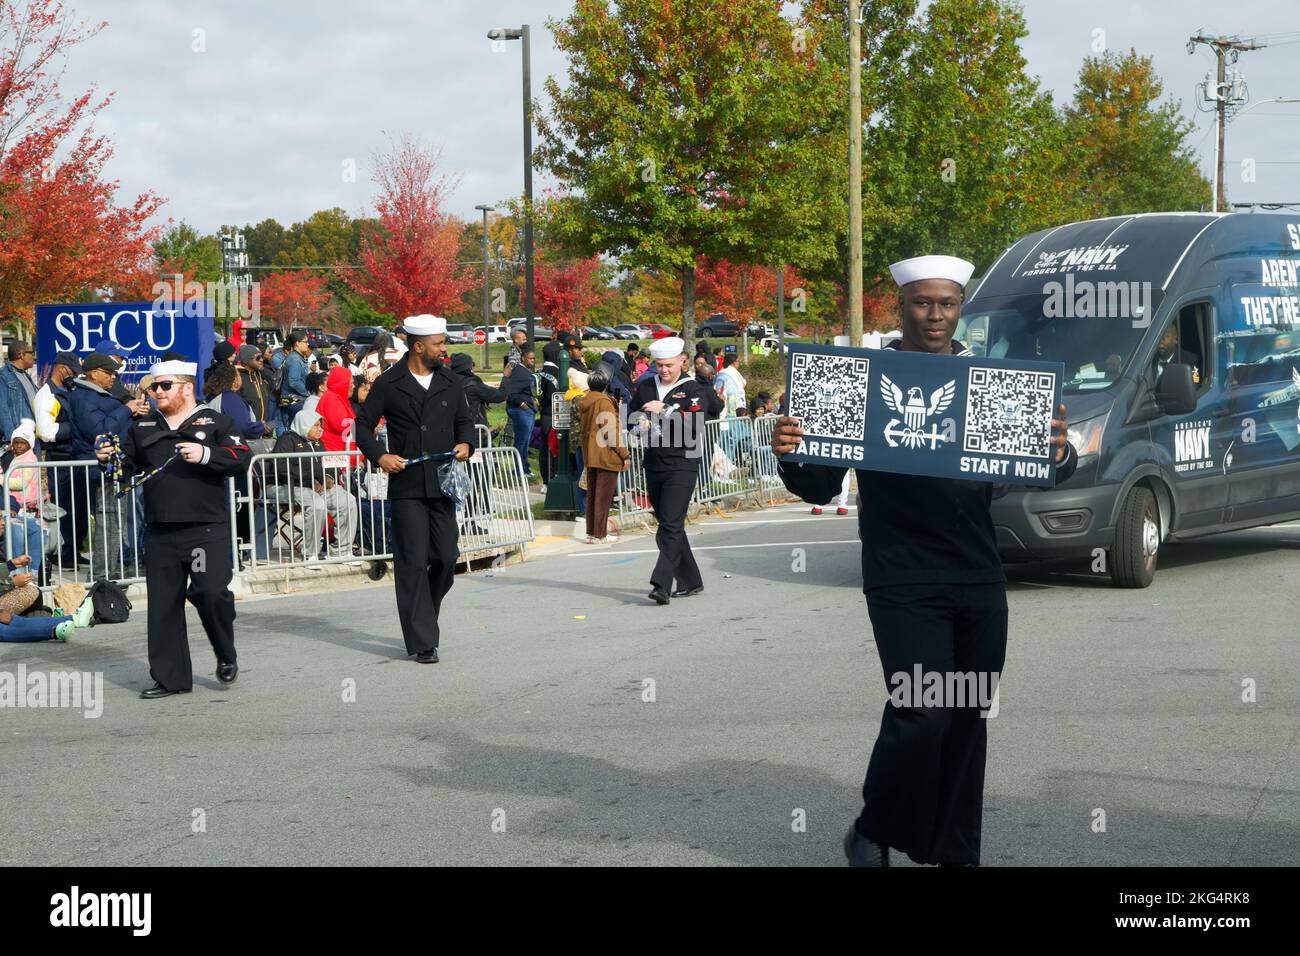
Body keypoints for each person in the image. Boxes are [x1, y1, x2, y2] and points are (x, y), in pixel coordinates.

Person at [769, 254, 1077, 867]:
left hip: (978, 573)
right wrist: (791, 451)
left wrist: (1058, 451)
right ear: (900, 305)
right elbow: (819, 485)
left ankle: (957, 850)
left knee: (967, 716)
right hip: (901, 573)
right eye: (922, 303)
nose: (935, 315)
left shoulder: (992, 382)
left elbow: (1039, 470)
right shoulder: (856, 380)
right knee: (922, 711)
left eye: (947, 303)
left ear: (960, 307)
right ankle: (875, 827)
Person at [98, 359, 251, 699]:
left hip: (204, 530)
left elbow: (242, 456)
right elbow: (125, 468)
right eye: (153, 386)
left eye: (164, 386)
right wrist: (108, 458)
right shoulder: (143, 426)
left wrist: (207, 453)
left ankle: (225, 651)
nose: (156, 392)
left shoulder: (216, 422)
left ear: (186, 387)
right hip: (161, 531)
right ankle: (171, 678)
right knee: (163, 606)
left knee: (211, 594)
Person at [353, 314, 474, 664]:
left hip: (442, 484)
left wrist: (466, 443)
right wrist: (380, 455)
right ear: (419, 346)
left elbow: (464, 422)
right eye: (439, 343)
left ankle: (423, 616)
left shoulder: (450, 381)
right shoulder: (389, 384)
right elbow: (362, 426)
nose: (444, 348)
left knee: (445, 557)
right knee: (412, 562)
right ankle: (423, 640)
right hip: (406, 487)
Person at [629, 337, 709, 604]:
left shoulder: (693, 388)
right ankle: (691, 580)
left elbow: (695, 425)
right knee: (668, 524)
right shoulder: (645, 386)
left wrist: (665, 409)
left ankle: (661, 583)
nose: (664, 370)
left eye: (669, 365)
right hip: (654, 462)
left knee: (670, 526)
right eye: (660, 365)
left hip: (684, 461)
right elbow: (631, 415)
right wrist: (638, 423)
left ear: (682, 362)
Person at [66, 353, 150, 580]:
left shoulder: (98, 395)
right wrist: (127, 409)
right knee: (108, 520)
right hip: (101, 468)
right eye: (109, 373)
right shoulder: (84, 397)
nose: (114, 377)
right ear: (93, 373)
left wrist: (134, 413)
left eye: (115, 373)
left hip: (114, 466)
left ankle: (108, 572)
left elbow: (115, 424)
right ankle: (102, 575)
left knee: (114, 521)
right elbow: (99, 430)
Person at [270, 409, 358, 561]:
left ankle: (342, 550)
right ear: (304, 425)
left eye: (320, 425)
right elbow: (280, 467)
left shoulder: (317, 442)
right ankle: (310, 553)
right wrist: (311, 480)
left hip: (315, 486)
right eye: (315, 425)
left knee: (347, 500)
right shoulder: (287, 440)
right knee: (317, 504)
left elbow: (325, 463)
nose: (320, 429)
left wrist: (329, 476)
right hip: (288, 486)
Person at [33, 352, 82, 567]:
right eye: (72, 372)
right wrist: (77, 428)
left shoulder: (68, 390)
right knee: (63, 508)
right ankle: (63, 553)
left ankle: (73, 550)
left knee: (78, 508)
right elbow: (46, 431)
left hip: (73, 457)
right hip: (60, 459)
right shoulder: (47, 395)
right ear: (62, 369)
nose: (75, 376)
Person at [578, 364, 629, 544]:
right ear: (606, 384)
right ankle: (600, 534)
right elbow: (610, 432)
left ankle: (592, 533)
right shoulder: (604, 402)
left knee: (592, 496)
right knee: (603, 498)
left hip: (591, 454)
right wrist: (624, 454)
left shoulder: (586, 400)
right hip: (606, 455)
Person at [203, 363, 267, 440]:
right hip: (234, 447)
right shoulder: (230, 399)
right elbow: (244, 428)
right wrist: (260, 426)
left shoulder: (214, 396)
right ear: (234, 380)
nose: (241, 378)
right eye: (239, 375)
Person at [504, 347, 539, 479]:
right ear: (523, 358)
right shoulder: (519, 371)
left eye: (534, 358)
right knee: (521, 441)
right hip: (521, 411)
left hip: (528, 411)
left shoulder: (526, 371)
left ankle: (525, 468)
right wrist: (521, 404)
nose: (532, 361)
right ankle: (519, 470)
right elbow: (511, 392)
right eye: (530, 358)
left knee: (525, 442)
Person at [449, 353, 506, 431]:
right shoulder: (473, 386)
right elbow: (500, 396)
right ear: (468, 367)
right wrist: (506, 376)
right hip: (474, 431)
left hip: (452, 430)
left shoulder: (447, 382)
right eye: (472, 364)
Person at [0, 340, 38, 445]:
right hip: (19, 442)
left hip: (32, 438)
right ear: (21, 355)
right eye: (31, 352)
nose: (33, 356)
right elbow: (2, 411)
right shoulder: (3, 376)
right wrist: (12, 439)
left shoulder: (25, 375)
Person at [236, 345, 276, 437]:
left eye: (262, 357)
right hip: (245, 434)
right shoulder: (238, 380)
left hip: (261, 432)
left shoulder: (261, 377)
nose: (262, 360)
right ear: (247, 360)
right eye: (258, 357)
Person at [277, 332, 312, 432]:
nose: (307, 344)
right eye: (305, 342)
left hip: (291, 400)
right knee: (295, 432)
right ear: (297, 343)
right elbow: (294, 382)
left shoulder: (295, 357)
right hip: (294, 401)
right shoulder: (295, 360)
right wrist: (308, 393)